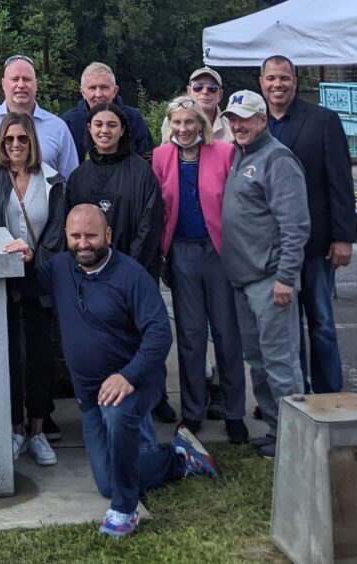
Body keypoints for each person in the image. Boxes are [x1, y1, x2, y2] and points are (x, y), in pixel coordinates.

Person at [20, 204, 219, 538]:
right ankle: (179, 459)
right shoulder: (60, 268)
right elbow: (29, 288)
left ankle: (125, 510)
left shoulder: (131, 276)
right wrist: (23, 259)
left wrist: (128, 375)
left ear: (108, 235)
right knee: (107, 482)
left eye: (91, 235)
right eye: (75, 236)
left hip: (135, 381)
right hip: (89, 396)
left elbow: (159, 334)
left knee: (117, 419)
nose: (83, 243)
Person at [64, 102, 173, 423]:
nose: (104, 131)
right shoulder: (79, 177)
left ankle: (155, 394)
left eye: (111, 125)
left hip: (134, 270)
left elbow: (149, 222)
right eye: (98, 125)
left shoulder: (140, 170)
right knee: (104, 339)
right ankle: (103, 396)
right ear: (89, 130)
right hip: (92, 273)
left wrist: (130, 271)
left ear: (123, 130)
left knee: (142, 334)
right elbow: (70, 226)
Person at [152, 96, 248, 442]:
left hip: (218, 253)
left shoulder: (224, 152)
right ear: (169, 125)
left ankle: (234, 412)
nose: (183, 129)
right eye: (177, 123)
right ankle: (192, 412)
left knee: (226, 334)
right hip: (181, 252)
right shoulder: (161, 156)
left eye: (189, 122)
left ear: (201, 124)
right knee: (191, 338)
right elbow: (159, 208)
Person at [221, 90, 310, 458]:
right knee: (258, 361)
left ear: (262, 120)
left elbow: (296, 226)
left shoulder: (278, 159)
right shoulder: (240, 156)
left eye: (244, 118)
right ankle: (277, 430)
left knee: (281, 363)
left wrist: (286, 278)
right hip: (243, 280)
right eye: (233, 119)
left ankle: (297, 440)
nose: (238, 125)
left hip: (271, 281)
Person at [259, 55, 356, 394]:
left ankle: (330, 395)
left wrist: (344, 237)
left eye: (284, 78)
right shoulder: (254, 125)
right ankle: (295, 394)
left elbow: (341, 182)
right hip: (271, 249)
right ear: (262, 83)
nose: (277, 85)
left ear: (295, 82)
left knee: (322, 324)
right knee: (285, 330)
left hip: (315, 244)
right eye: (271, 78)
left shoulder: (323, 121)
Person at [0, 112, 65, 466]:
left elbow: (57, 232)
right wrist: (10, 258)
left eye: (22, 139)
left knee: (41, 358)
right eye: (9, 139)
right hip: (4, 281)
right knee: (8, 356)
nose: (15, 145)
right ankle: (15, 427)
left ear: (32, 142)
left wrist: (34, 257)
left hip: (40, 280)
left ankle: (39, 430)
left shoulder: (53, 180)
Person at [0, 54, 78, 195]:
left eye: (27, 79)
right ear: (3, 84)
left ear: (36, 84)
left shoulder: (58, 128)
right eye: (15, 79)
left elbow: (71, 182)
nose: (21, 85)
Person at [62, 62, 155, 162]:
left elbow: (147, 159)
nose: (98, 94)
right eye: (92, 88)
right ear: (83, 92)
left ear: (115, 91)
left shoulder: (132, 118)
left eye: (104, 87)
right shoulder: (68, 122)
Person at [159, 67, 233, 144]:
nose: (205, 92)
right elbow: (165, 153)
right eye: (198, 87)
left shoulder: (231, 127)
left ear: (220, 95)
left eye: (212, 88)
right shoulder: (171, 121)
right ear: (189, 92)